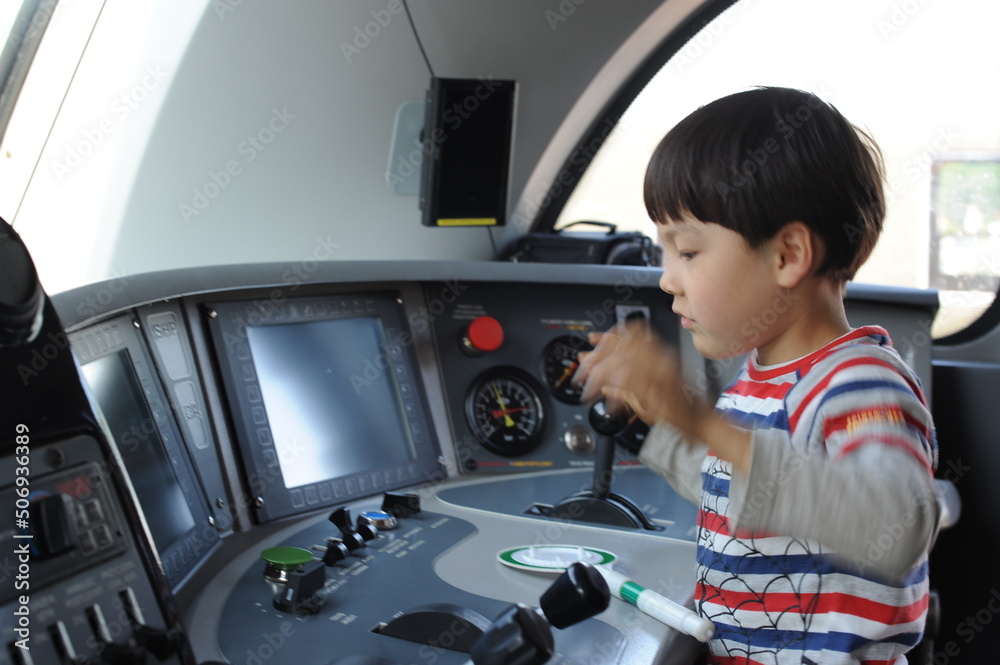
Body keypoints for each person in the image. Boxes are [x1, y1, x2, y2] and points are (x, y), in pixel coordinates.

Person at [573, 87, 938, 665]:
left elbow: (894, 524)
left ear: (788, 254)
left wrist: (695, 416)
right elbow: (742, 491)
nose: (668, 279)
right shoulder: (761, 376)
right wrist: (650, 428)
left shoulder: (861, 383)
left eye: (687, 251)